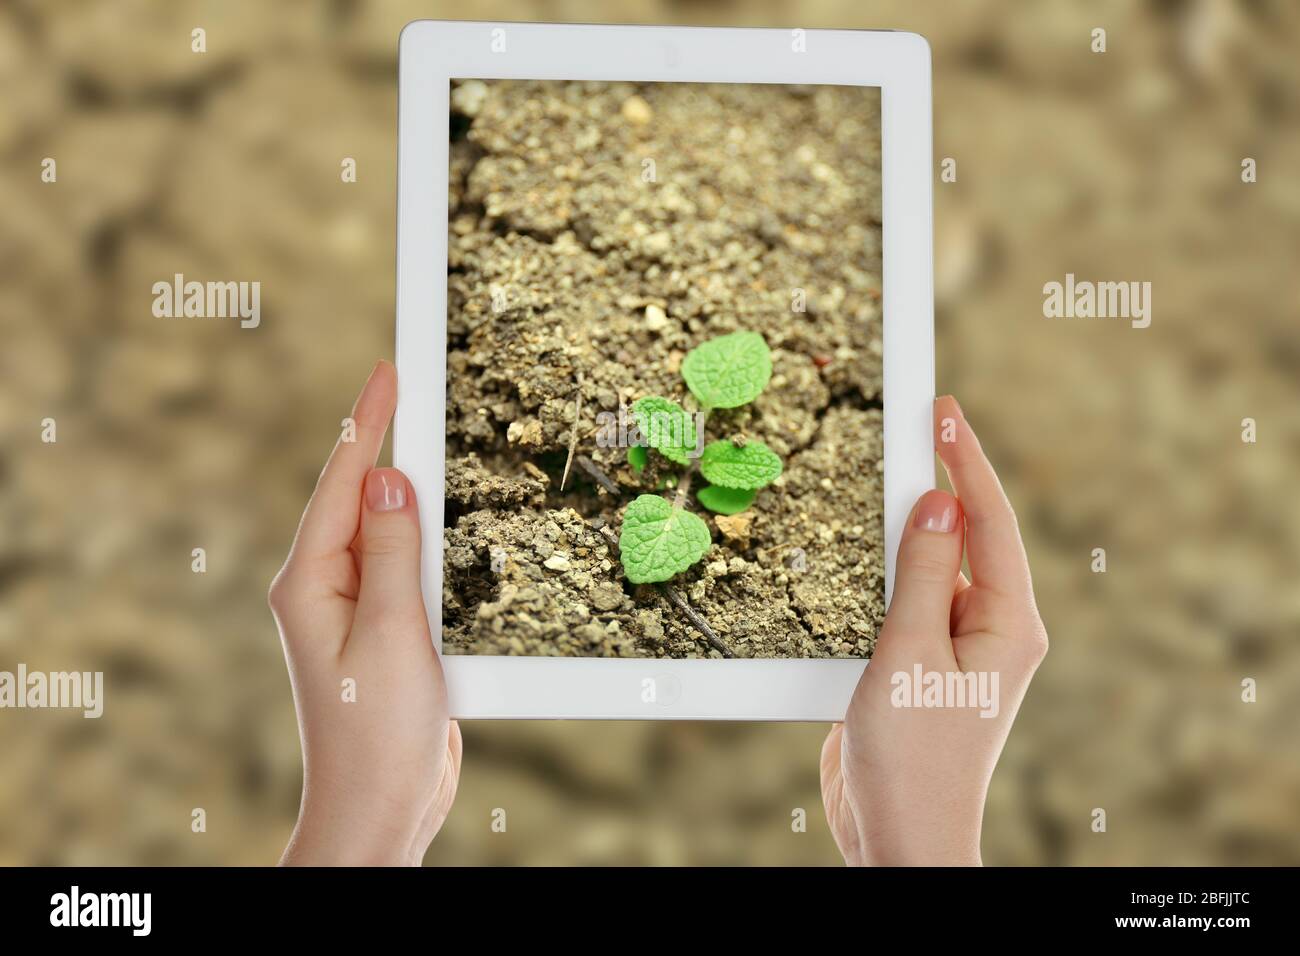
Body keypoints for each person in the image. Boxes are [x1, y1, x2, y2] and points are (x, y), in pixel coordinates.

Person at [270, 361, 1047, 866]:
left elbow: (726, 482)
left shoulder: (711, 467)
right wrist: (922, 846)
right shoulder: (666, 464)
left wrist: (360, 830)